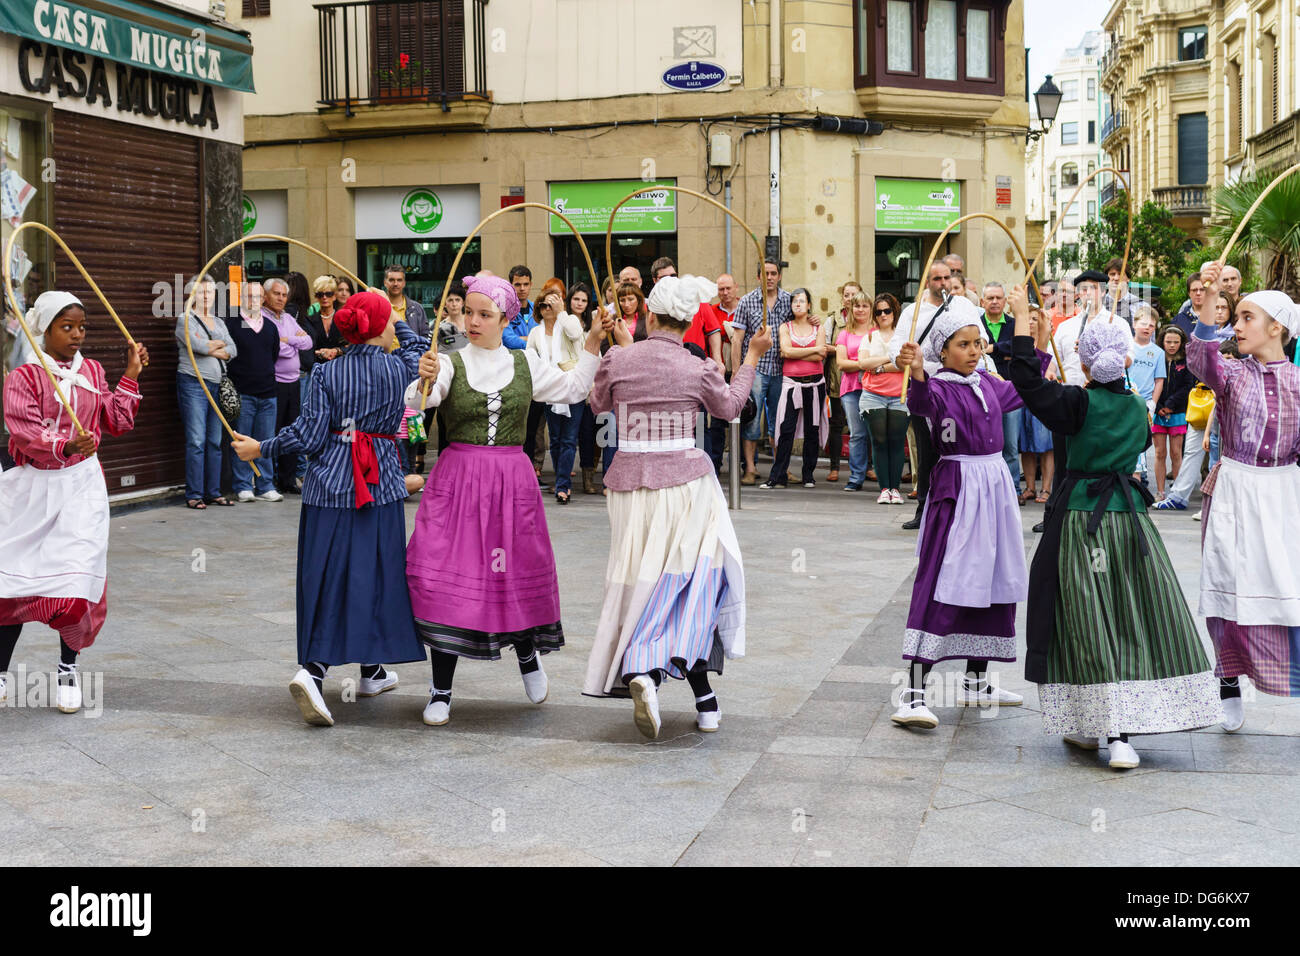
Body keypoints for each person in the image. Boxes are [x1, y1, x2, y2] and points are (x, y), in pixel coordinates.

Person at [1006, 285, 1221, 769]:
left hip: (1084, 525)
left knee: (1088, 618)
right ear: (1124, 364)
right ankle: (1101, 728)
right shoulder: (1137, 411)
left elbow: (1023, 378)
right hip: (1133, 525)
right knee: (1131, 615)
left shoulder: (1076, 404)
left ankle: (1114, 732)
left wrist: (1025, 323)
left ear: (1084, 366)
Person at [405, 274, 613, 727]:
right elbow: (416, 411)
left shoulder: (525, 362)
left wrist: (594, 340)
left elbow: (574, 387)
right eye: (470, 312)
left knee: (513, 571)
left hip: (511, 483)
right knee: (447, 577)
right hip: (458, 481)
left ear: (505, 317)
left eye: (484, 314)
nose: (473, 321)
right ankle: (441, 688)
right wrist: (420, 382)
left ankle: (527, 655)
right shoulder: (450, 363)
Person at [231, 290, 428, 727]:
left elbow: (308, 435)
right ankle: (349, 670)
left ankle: (332, 670)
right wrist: (397, 322)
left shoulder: (325, 374)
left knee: (326, 575)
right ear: (380, 328)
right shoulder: (399, 369)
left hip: (328, 487)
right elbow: (417, 345)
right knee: (377, 573)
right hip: (381, 484)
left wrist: (261, 447)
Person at [583, 276, 765, 737]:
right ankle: (655, 672)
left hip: (628, 484)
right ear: (688, 323)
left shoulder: (620, 358)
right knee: (694, 584)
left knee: (640, 581)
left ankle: (696, 696)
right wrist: (752, 358)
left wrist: (616, 352)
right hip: (686, 482)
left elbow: (597, 402)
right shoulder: (696, 366)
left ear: (648, 314)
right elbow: (730, 408)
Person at [0, 292, 149, 713]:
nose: (77, 335)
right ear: (44, 330)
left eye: (81, 327)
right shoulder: (24, 377)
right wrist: (64, 443)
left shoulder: (94, 371)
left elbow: (116, 421)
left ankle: (68, 669)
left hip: (81, 489)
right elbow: (25, 431)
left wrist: (131, 374)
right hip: (30, 491)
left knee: (77, 584)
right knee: (12, 583)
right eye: (66, 327)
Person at [889, 307, 1027, 730]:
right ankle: (912, 693)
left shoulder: (987, 381)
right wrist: (914, 369)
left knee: (994, 580)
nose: (973, 351)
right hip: (958, 490)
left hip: (995, 489)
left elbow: (1024, 389)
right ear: (942, 351)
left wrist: (1027, 331)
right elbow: (921, 399)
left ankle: (977, 680)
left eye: (977, 343)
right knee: (942, 581)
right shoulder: (939, 388)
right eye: (963, 345)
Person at [1188, 263, 1300, 732]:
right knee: (1229, 585)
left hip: (1283, 491)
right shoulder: (1231, 374)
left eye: (1246, 318)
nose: (1238, 327)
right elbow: (1201, 361)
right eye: (1235, 319)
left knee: (1287, 590)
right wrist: (1210, 300)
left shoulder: (1299, 381)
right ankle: (1229, 678)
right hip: (1235, 488)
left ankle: (1290, 677)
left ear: (1277, 328)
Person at [176, 275, 238, 509]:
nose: (206, 296)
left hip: (216, 385)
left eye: (210, 292)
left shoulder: (218, 322)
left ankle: (213, 492)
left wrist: (213, 347)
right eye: (201, 292)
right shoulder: (185, 319)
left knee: (214, 440)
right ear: (192, 295)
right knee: (197, 441)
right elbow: (197, 346)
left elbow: (233, 349)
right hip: (193, 383)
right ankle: (194, 494)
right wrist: (216, 345)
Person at [760, 288, 826, 489]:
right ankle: (778, 475)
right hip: (791, 384)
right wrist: (812, 349)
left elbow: (820, 356)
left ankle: (809, 475)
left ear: (808, 305)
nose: (798, 304)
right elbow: (785, 351)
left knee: (812, 430)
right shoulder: (785, 327)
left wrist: (804, 352)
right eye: (794, 301)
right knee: (785, 429)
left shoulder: (819, 328)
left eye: (802, 301)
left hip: (815, 384)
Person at [736, 259, 794, 484]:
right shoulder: (747, 301)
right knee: (752, 418)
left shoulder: (789, 300)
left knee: (779, 421)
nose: (769, 277)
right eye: (765, 274)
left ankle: (781, 469)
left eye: (773, 273)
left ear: (779, 276)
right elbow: (738, 337)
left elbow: (800, 324)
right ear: (759, 277)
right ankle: (750, 468)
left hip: (781, 369)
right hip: (756, 369)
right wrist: (739, 372)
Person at [227, 281, 283, 502]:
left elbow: (274, 355)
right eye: (249, 297)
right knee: (242, 441)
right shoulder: (232, 324)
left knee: (266, 441)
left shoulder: (270, 327)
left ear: (264, 300)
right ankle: (243, 485)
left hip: (268, 393)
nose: (254, 301)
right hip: (243, 393)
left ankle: (265, 485)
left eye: (258, 297)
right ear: (242, 299)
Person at [527, 288, 585, 503]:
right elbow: (531, 360)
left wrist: (562, 312)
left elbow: (576, 334)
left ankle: (563, 485)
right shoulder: (535, 333)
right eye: (543, 305)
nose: (547, 308)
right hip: (550, 389)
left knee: (569, 439)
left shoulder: (569, 322)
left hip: (572, 386)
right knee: (557, 439)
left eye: (551, 304)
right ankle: (562, 479)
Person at [263, 277, 314, 494]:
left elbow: (308, 341)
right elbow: (275, 348)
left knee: (292, 431)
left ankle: (289, 479)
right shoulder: (263, 318)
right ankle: (272, 479)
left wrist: (288, 340)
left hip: (295, 381)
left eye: (284, 295)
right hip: (275, 382)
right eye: (276, 294)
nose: (281, 298)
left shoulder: (287, 318)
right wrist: (291, 341)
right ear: (266, 296)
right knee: (273, 432)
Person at [297, 275, 348, 484]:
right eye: (320, 294)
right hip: (317, 375)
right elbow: (306, 346)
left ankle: (338, 464)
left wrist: (335, 350)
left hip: (341, 374)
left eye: (328, 294)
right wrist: (319, 352)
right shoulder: (311, 320)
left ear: (335, 295)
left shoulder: (343, 317)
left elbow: (351, 346)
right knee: (315, 417)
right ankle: (313, 467)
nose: (324, 298)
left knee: (339, 418)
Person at [859, 293, 907, 503]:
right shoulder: (869, 337)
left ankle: (895, 489)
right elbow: (863, 364)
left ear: (894, 311)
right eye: (878, 312)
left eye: (887, 310)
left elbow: (906, 364)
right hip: (873, 395)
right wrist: (891, 358)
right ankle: (884, 489)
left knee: (896, 442)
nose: (882, 315)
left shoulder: (904, 336)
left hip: (900, 395)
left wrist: (878, 366)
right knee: (879, 442)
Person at [979, 281, 1021, 492]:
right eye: (990, 298)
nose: (994, 302)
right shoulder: (976, 324)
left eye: (998, 298)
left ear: (1005, 301)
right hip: (982, 392)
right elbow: (976, 348)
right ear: (982, 301)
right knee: (987, 442)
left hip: (1010, 391)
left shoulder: (1014, 324)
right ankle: (990, 487)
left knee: (1011, 445)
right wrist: (1003, 353)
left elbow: (1020, 347)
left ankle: (1013, 487)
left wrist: (992, 348)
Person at [1152, 325, 1197, 508]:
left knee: (1176, 453)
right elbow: (1152, 382)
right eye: (1168, 341)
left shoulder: (1186, 361)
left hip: (1178, 411)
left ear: (1182, 343)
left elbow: (1187, 386)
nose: (1172, 345)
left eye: (1176, 342)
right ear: (1162, 341)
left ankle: (1177, 492)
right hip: (1158, 411)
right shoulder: (1156, 358)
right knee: (1159, 452)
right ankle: (1161, 491)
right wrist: (1159, 406)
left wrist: (1170, 405)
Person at [835, 291, 875, 492]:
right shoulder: (845, 333)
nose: (860, 309)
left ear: (871, 308)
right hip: (851, 389)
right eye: (857, 306)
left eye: (865, 306)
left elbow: (884, 359)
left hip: (875, 388)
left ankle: (880, 474)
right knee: (857, 434)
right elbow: (841, 364)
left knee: (876, 434)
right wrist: (867, 363)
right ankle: (856, 476)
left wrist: (857, 364)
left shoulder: (877, 332)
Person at [1017, 305, 1055, 504]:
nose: (1031, 322)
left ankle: (1046, 488)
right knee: (1026, 445)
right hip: (1022, 399)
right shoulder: (1020, 344)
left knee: (1047, 445)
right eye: (1028, 318)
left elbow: (1053, 367)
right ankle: (1030, 487)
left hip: (1044, 398)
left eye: (1035, 318)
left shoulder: (1049, 343)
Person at [823, 282, 859, 482]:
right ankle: (834, 467)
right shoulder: (834, 320)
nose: (850, 298)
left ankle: (865, 467)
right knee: (836, 424)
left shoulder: (868, 319)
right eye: (847, 294)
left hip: (862, 379)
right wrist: (843, 349)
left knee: (863, 425)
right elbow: (824, 346)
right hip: (837, 378)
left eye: (854, 294)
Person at [1127, 308, 1166, 492]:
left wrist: (1152, 403)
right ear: (1134, 324)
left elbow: (1159, 380)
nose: (1147, 328)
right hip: (1125, 402)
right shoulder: (1126, 347)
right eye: (1143, 323)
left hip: (1144, 406)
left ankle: (1136, 484)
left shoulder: (1158, 352)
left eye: (1151, 325)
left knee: (1139, 445)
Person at [383, 264, 429, 340]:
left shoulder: (417, 309)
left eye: (399, 280)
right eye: (391, 280)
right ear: (385, 283)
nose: (395, 284)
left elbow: (425, 337)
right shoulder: (378, 308)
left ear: (404, 283)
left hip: (411, 351)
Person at [1102, 258, 1142, 328]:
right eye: (1112, 274)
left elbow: (1148, 338)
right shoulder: (1098, 305)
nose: (1116, 278)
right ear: (1106, 278)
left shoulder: (1141, 305)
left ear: (1128, 279)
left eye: (1121, 274)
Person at [502, 265, 535, 348]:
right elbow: (508, 340)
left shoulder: (537, 309)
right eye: (517, 285)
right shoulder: (505, 311)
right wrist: (534, 343)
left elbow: (546, 337)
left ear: (531, 285)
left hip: (537, 359)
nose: (522, 288)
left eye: (526, 284)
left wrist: (519, 338)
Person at [1170, 273, 1205, 338]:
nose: (1198, 293)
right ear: (1189, 293)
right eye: (1194, 290)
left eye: (1202, 290)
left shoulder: (1217, 318)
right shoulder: (1177, 321)